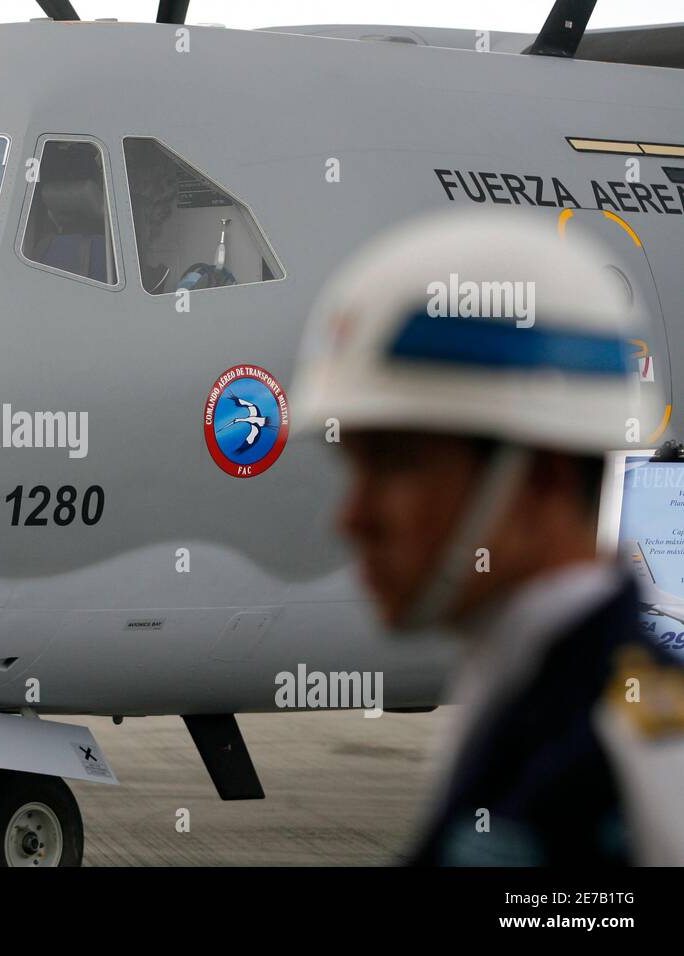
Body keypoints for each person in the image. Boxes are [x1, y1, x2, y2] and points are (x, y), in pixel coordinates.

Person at [292, 210, 684, 865]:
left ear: (543, 477)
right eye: (352, 466)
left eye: (395, 462)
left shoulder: (643, 759)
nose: (349, 517)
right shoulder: (515, 695)